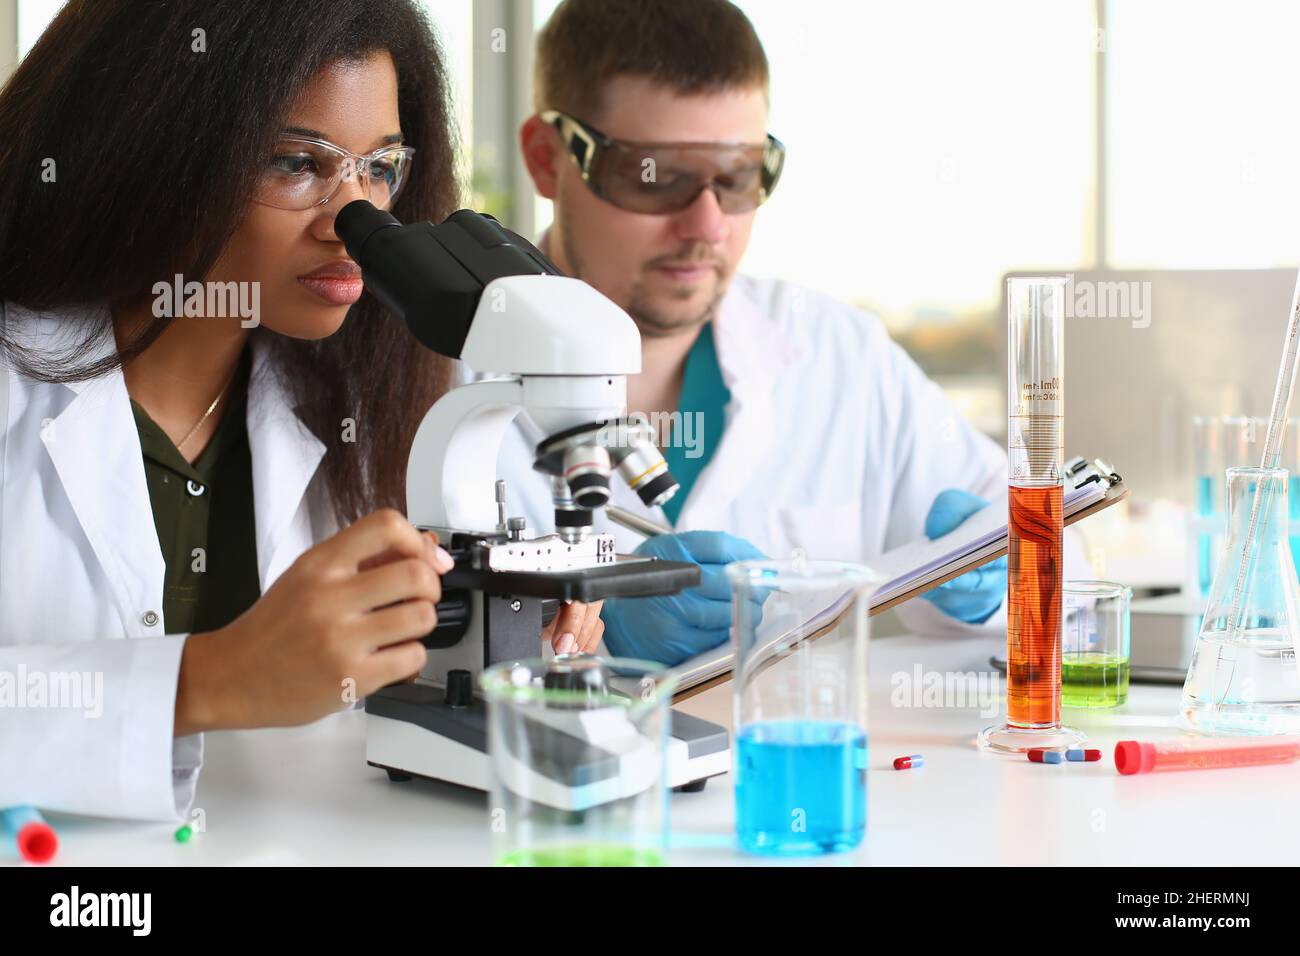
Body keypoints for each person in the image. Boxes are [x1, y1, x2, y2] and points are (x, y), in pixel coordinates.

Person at [0, 0, 602, 821]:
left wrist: (503, 626)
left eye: (379, 167)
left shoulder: (374, 388)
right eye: (295, 163)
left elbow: (576, 537)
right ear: (150, 150)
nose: (352, 225)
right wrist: (206, 682)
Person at [492, 0, 1089, 665]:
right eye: (655, 176)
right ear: (548, 160)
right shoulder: (436, 374)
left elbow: (1071, 584)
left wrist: (994, 584)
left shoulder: (839, 357)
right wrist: (575, 639)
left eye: (739, 176)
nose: (708, 226)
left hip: (801, 766)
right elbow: (378, 679)